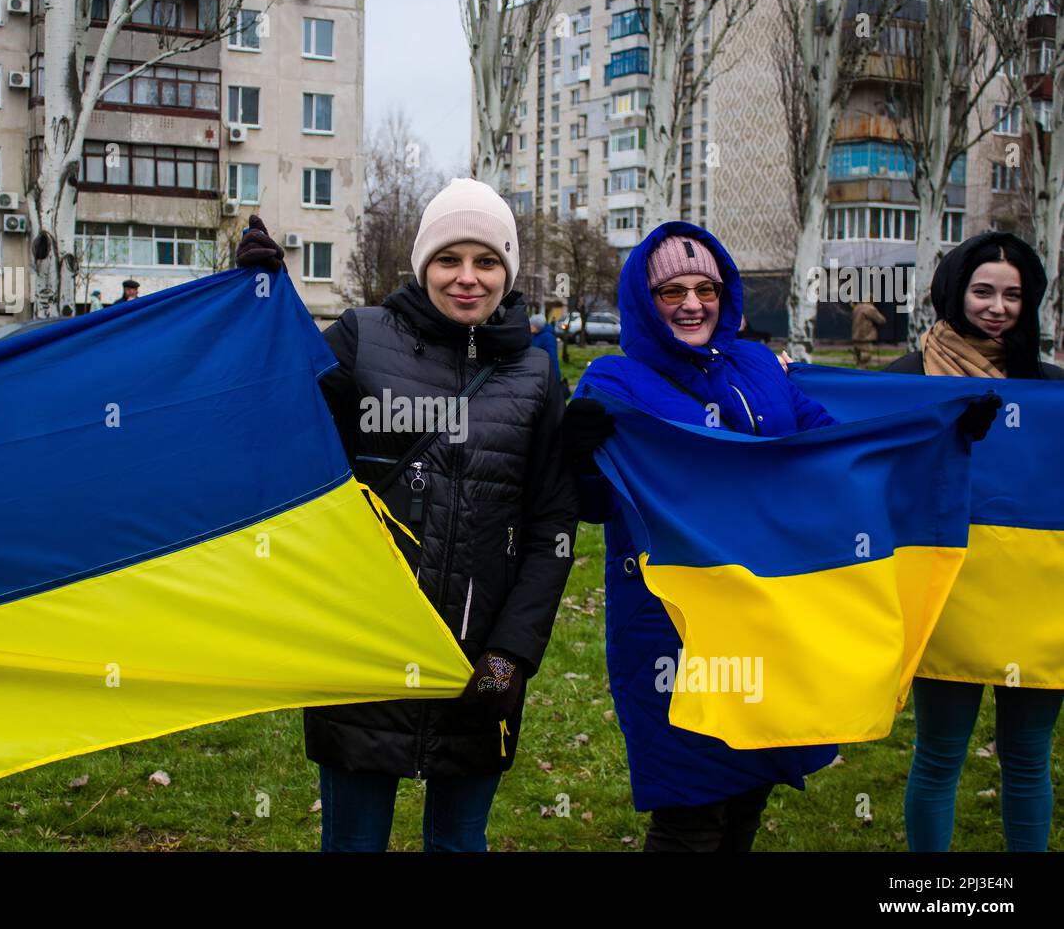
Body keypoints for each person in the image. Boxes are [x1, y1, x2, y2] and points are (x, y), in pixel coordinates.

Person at [235, 179, 578, 852]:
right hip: (366, 652)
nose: (468, 278)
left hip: (478, 660)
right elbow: (274, 423)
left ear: (508, 272)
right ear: (424, 265)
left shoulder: (537, 374)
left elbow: (553, 528)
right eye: (450, 258)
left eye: (487, 261)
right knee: (353, 844)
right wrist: (256, 310)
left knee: (458, 843)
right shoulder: (363, 339)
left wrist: (512, 655)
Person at [561, 221, 842, 851]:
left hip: (768, 610)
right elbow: (594, 502)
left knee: (747, 792)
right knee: (690, 806)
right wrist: (578, 453)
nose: (692, 303)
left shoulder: (760, 367)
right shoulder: (614, 382)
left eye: (705, 288)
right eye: (671, 292)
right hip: (671, 622)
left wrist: (939, 428)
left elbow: (829, 445)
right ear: (644, 301)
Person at [888, 231, 1063, 851]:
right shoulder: (907, 380)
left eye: (1013, 295)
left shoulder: (1050, 388)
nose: (997, 306)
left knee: (1026, 756)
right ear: (954, 291)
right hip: (948, 594)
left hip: (1036, 600)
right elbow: (859, 458)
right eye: (982, 290)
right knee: (938, 755)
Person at [851, 297, 887, 369]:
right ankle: (861, 375)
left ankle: (857, 374)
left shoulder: (857, 307)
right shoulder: (870, 309)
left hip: (856, 336)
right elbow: (881, 320)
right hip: (866, 337)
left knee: (859, 359)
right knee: (865, 358)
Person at [529, 313, 561, 380]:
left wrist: (555, 375)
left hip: (547, 373)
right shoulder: (535, 335)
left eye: (532, 325)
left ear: (537, 326)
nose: (529, 326)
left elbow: (552, 357)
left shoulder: (548, 337)